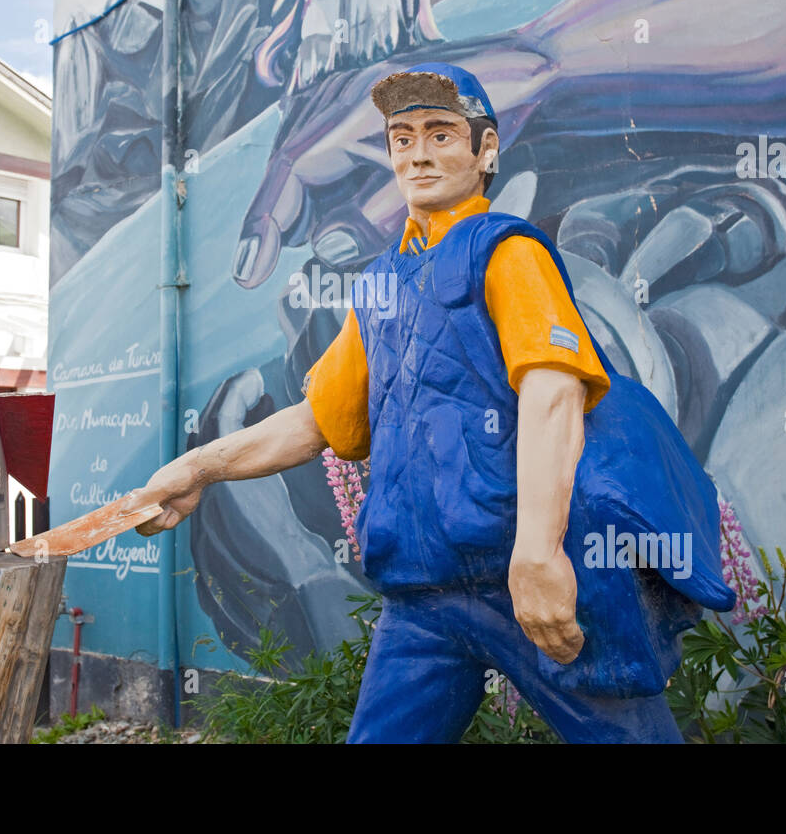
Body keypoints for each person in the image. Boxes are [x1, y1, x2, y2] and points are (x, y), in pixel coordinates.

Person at [132, 62, 734, 742]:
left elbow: (553, 394)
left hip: (519, 576)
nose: (418, 153)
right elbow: (317, 421)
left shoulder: (507, 256)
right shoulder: (382, 283)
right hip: (422, 598)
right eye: (402, 137)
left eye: (441, 134)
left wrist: (537, 554)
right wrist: (197, 469)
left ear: (486, 151)